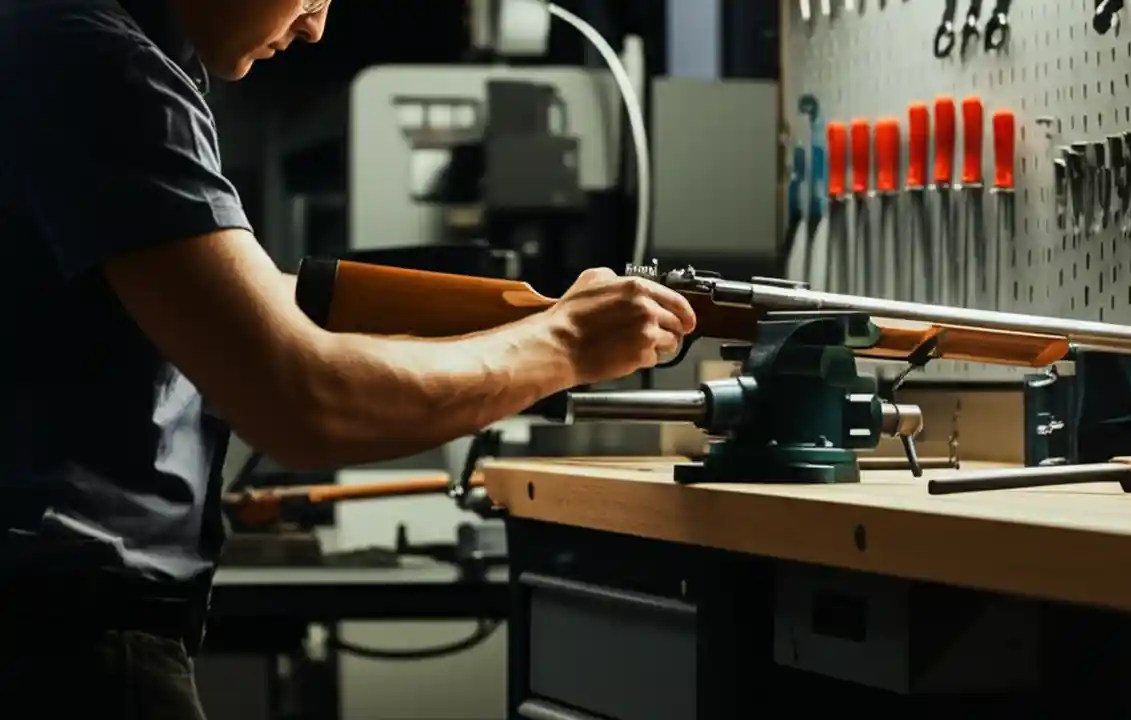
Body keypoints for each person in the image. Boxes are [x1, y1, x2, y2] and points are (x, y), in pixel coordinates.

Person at [0, 0, 696, 716]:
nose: (316, 26)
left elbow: (255, 300)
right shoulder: (103, 64)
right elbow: (303, 400)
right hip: (64, 648)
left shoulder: (59, 35)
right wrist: (565, 344)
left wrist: (537, 316)